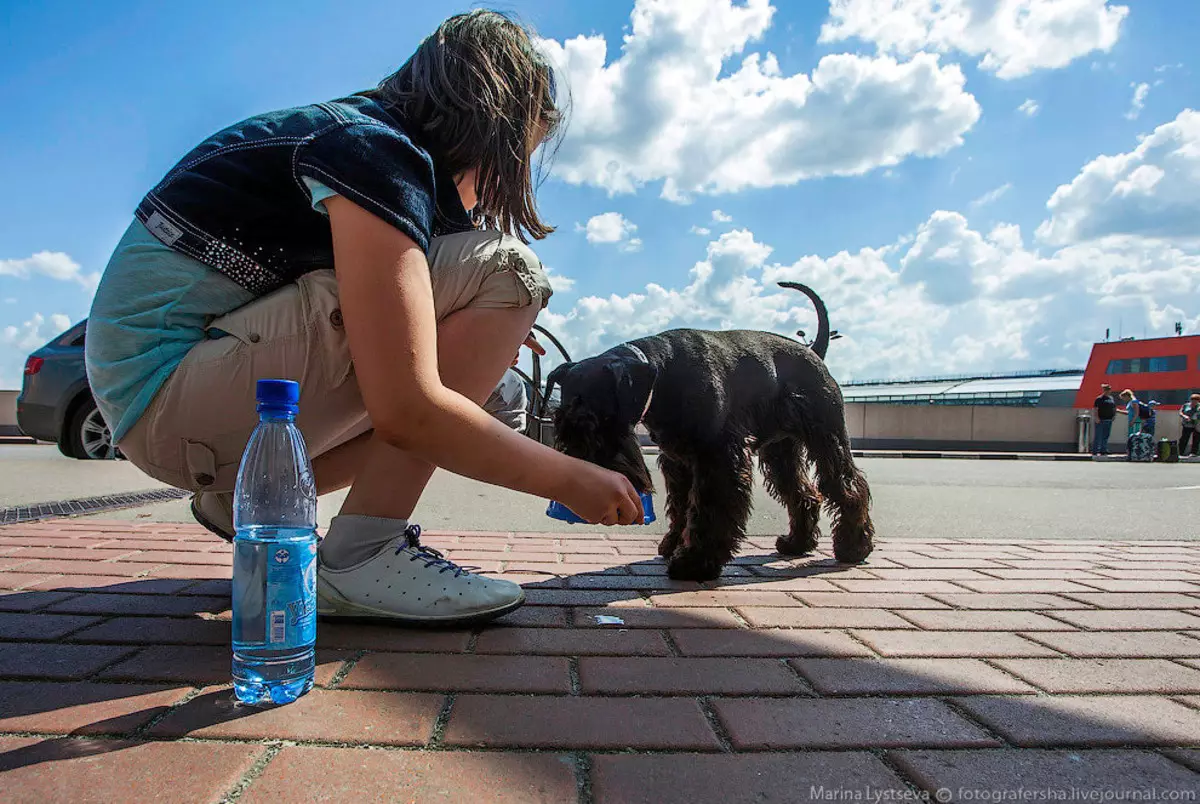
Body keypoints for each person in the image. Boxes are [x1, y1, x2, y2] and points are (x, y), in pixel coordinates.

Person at [83, 10, 644, 628]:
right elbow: (405, 408)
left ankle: (244, 503)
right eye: (505, 163)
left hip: (169, 405)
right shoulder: (370, 149)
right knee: (507, 269)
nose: (488, 192)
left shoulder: (361, 144)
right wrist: (571, 479)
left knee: (498, 392)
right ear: (485, 129)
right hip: (171, 396)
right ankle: (362, 556)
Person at [1092, 383, 1116, 455]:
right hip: (1101, 419)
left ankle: (1103, 449)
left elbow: (1114, 407)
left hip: (1109, 419)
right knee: (1098, 435)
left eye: (1109, 390)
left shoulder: (1111, 398)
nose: (1108, 391)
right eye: (1106, 390)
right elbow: (1096, 409)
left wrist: (1114, 415)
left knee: (1106, 435)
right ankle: (1095, 450)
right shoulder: (1099, 399)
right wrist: (1096, 417)